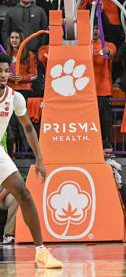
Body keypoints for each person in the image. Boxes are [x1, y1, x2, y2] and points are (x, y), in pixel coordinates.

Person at [0, 54, 61, 267]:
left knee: (24, 194)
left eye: (5, 71)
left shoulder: (14, 97)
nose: (3, 75)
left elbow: (27, 127)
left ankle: (41, 252)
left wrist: (40, 159)